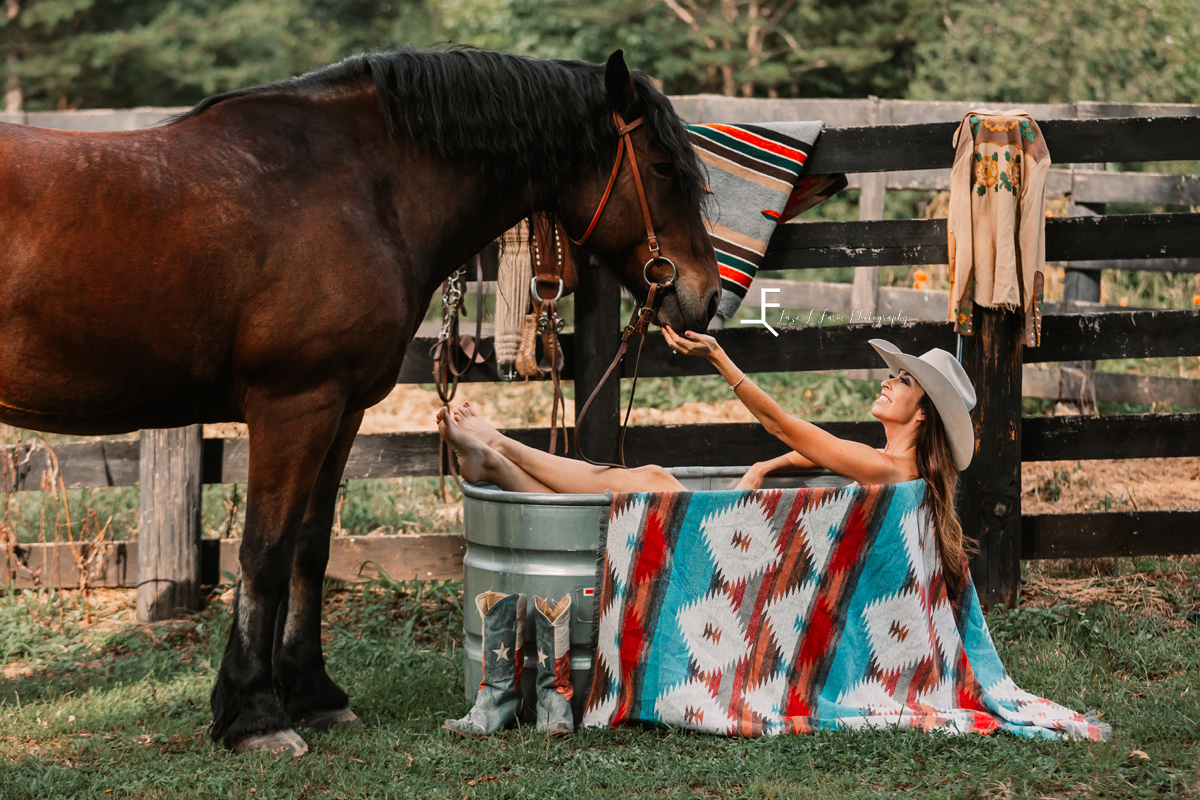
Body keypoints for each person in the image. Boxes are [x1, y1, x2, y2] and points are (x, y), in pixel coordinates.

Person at [437, 328, 978, 595]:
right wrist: (769, 468)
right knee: (642, 490)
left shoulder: (893, 470)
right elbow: (813, 451)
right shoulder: (888, 466)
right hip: (769, 565)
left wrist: (721, 357)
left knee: (650, 480)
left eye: (902, 380)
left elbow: (786, 426)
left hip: (759, 579)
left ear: (924, 415)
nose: (887, 380)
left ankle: (503, 445)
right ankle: (496, 464)